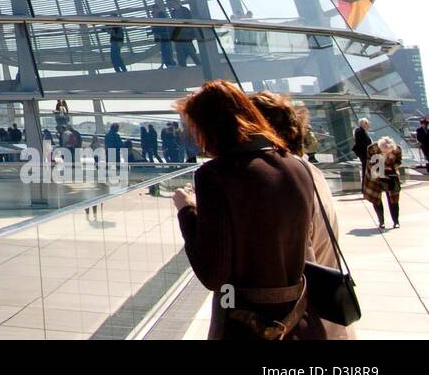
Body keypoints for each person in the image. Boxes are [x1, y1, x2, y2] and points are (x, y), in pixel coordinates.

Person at [172, 80, 326, 340]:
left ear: (212, 127)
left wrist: (187, 212)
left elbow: (213, 274)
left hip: (245, 324)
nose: (195, 136)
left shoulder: (215, 175)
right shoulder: (297, 166)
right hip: (298, 321)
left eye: (196, 127)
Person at [251, 90, 354, 339]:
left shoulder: (285, 182)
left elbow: (294, 270)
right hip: (332, 322)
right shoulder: (308, 171)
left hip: (309, 327)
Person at [364, 136, 403, 230]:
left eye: (388, 151)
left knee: (394, 198)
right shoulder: (371, 149)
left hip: (391, 175)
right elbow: (370, 164)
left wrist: (392, 167)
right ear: (380, 147)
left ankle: (396, 221)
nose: (386, 153)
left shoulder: (397, 149)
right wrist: (381, 172)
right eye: (384, 151)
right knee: (376, 198)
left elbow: (399, 161)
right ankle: (381, 222)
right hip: (375, 175)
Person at [352, 117, 373, 182]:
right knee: (365, 166)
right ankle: (365, 181)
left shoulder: (362, 131)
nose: (368, 125)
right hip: (363, 153)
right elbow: (361, 143)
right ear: (363, 124)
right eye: (366, 123)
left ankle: (367, 180)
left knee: (366, 167)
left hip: (365, 152)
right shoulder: (359, 131)